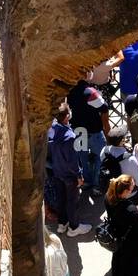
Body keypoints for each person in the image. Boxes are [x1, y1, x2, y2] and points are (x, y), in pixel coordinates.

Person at [47, 101, 91, 237]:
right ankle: (74, 227)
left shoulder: (52, 129)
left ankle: (62, 223)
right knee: (72, 201)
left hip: (57, 170)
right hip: (69, 174)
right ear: (66, 116)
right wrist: (79, 175)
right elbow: (72, 161)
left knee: (61, 199)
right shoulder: (69, 137)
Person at [67, 80, 110, 193]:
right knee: (100, 157)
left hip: (78, 132)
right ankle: (97, 184)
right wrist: (107, 128)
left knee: (83, 159)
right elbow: (104, 108)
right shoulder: (90, 92)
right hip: (93, 132)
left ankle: (86, 181)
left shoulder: (68, 91)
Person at [105, 174, 138, 276]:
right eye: (132, 187)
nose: (134, 187)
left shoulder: (108, 197)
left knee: (118, 259)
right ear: (125, 192)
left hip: (116, 235)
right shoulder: (131, 209)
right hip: (130, 241)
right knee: (134, 265)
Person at [106, 38, 138, 116]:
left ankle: (132, 127)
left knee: (130, 114)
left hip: (127, 88)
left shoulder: (122, 49)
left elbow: (115, 61)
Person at [98, 126, 132, 195]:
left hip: (109, 188)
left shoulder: (104, 150)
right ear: (122, 141)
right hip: (123, 189)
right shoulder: (128, 156)